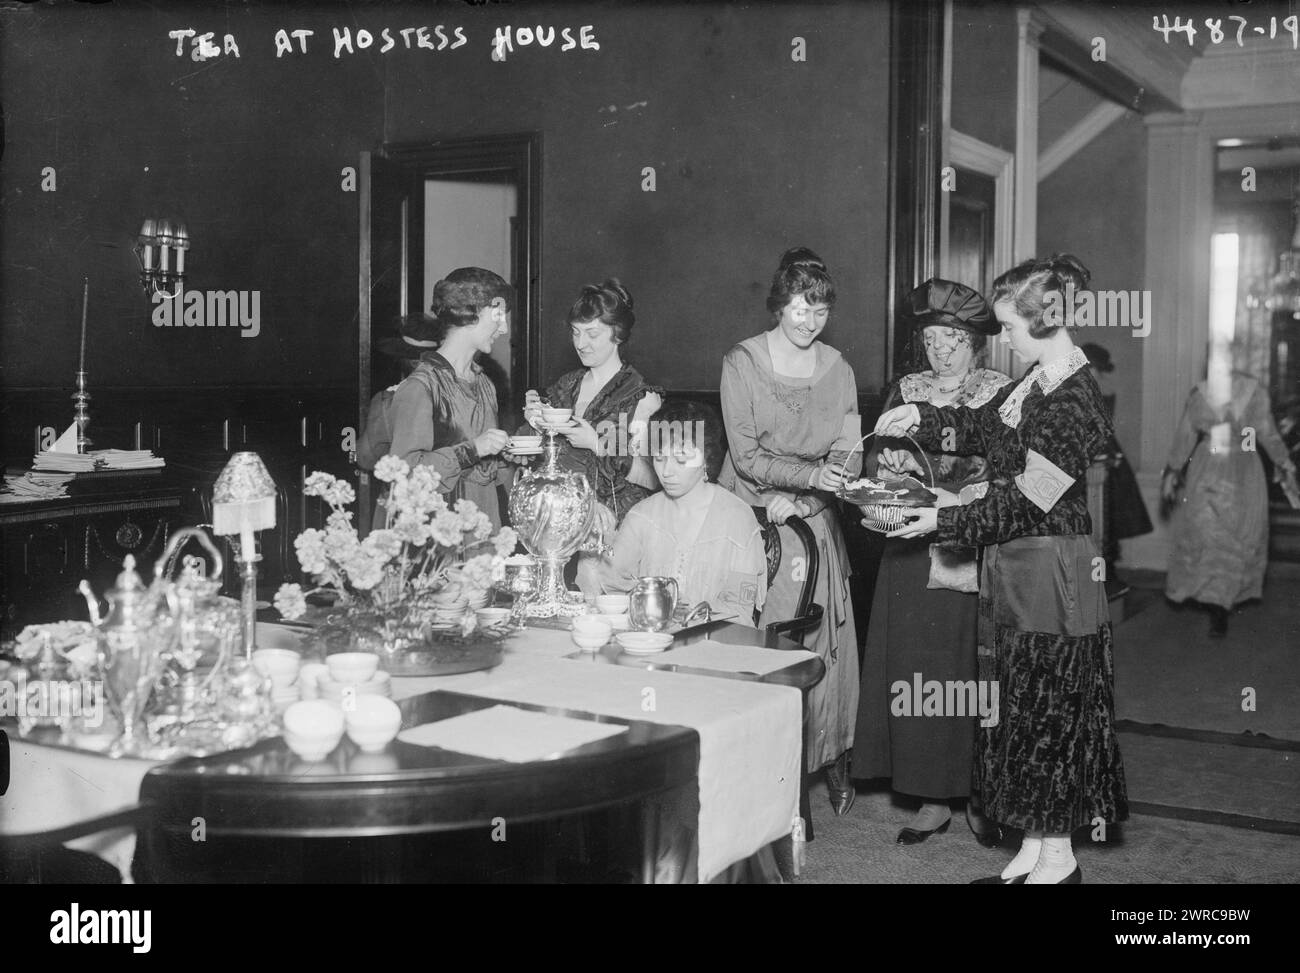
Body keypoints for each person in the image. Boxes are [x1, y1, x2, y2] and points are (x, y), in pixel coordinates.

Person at [875, 254, 1128, 884]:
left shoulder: (1074, 396)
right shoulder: (1036, 382)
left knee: (1049, 712)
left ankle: (1060, 860)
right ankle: (1035, 850)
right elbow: (984, 425)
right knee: (1018, 708)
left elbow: (1024, 501)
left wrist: (944, 521)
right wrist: (923, 417)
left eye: (1010, 328)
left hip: (1052, 573)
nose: (1005, 340)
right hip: (1015, 567)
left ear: (1044, 322)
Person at [850, 279, 1011, 847]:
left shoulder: (999, 392)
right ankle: (930, 795)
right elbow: (877, 466)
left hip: (966, 547)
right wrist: (890, 467)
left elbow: (1006, 475)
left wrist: (955, 496)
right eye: (932, 336)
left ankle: (981, 792)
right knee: (917, 673)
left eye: (954, 337)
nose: (941, 349)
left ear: (977, 342)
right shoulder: (906, 388)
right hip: (908, 552)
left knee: (968, 672)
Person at [718, 246, 861, 815]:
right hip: (752, 514)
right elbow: (746, 454)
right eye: (799, 310)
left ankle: (828, 756)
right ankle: (752, 762)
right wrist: (803, 478)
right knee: (758, 637)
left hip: (817, 516)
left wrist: (849, 473)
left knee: (824, 640)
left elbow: (849, 445)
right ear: (780, 305)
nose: (808, 323)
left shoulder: (839, 367)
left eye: (820, 313)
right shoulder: (742, 361)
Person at [521, 280, 663, 588]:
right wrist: (534, 420)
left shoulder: (641, 397)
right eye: (575, 332)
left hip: (610, 533)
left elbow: (652, 478)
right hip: (557, 527)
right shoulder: (566, 385)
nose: (580, 343)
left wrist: (597, 444)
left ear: (618, 334)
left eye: (592, 333)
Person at [1162, 347, 1298, 637]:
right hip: (1225, 466)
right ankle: (1217, 605)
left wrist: (1285, 463)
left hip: (1226, 466)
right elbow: (1187, 434)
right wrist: (1172, 471)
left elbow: (1266, 432)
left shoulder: (1230, 392)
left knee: (1225, 535)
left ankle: (1218, 603)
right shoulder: (1222, 392)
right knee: (1217, 534)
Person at [602, 400, 767, 621]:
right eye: (659, 458)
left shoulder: (737, 518)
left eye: (681, 459)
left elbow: (740, 607)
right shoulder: (642, 516)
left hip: (717, 644)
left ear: (706, 458)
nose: (667, 471)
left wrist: (693, 615)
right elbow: (611, 585)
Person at [387, 267, 517, 528]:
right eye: (498, 317)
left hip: (486, 532)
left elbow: (492, 471)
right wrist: (472, 450)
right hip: (443, 539)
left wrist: (513, 456)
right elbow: (404, 477)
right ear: (470, 316)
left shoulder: (484, 384)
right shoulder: (420, 387)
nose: (503, 328)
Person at [1079, 342, 1153, 586]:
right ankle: (1103, 570)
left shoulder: (1092, 386)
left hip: (1099, 450)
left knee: (1104, 511)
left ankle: (1104, 571)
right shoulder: (1096, 385)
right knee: (1102, 511)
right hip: (1099, 449)